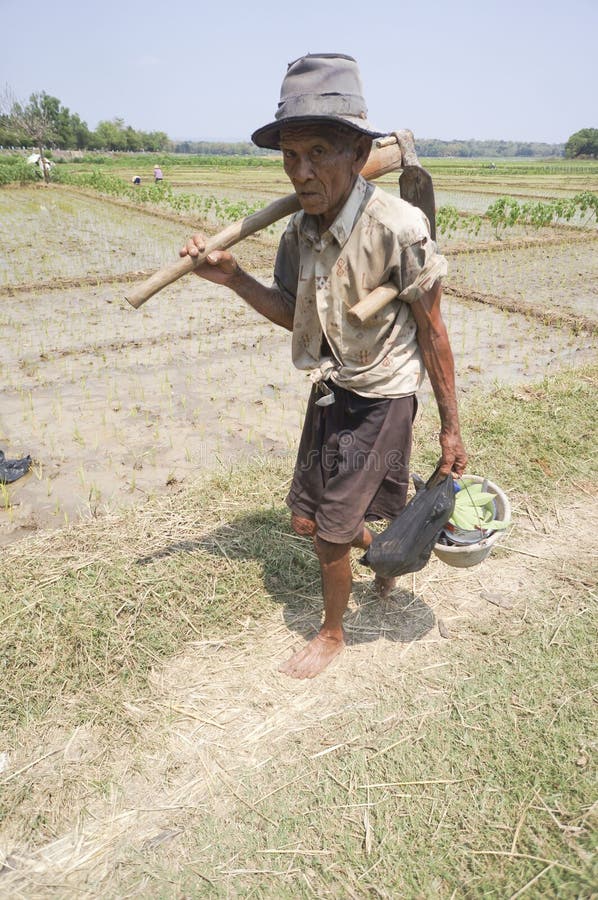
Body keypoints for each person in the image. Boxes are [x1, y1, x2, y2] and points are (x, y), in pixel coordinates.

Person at [180, 53, 467, 680]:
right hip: (335, 386)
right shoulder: (299, 234)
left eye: (318, 153)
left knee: (329, 534)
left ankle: (333, 634)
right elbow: (293, 313)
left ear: (357, 151)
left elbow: (433, 330)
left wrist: (450, 429)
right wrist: (232, 278)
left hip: (386, 394)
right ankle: (389, 555)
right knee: (306, 518)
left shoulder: (399, 227)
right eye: (290, 156)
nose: (301, 172)